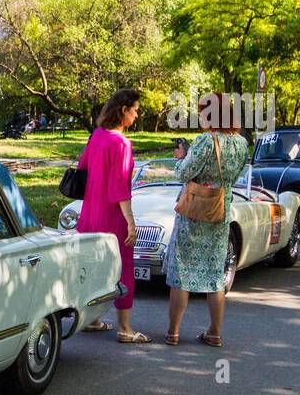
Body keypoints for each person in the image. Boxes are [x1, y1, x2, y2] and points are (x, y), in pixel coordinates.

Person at [164, 93, 251, 347]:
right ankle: (214, 332)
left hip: (195, 212)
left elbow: (183, 173)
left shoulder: (205, 140)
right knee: (215, 272)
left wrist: (180, 157)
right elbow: (233, 175)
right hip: (221, 210)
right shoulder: (241, 143)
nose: (200, 116)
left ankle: (173, 332)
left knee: (182, 270)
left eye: (203, 112)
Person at [78, 88, 148, 343]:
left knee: (94, 268)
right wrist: (130, 221)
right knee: (124, 268)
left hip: (89, 215)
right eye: (135, 110)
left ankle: (92, 319)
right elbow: (120, 188)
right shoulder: (121, 143)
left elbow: (82, 166)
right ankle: (125, 329)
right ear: (123, 111)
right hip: (111, 218)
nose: (137, 115)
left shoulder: (96, 136)